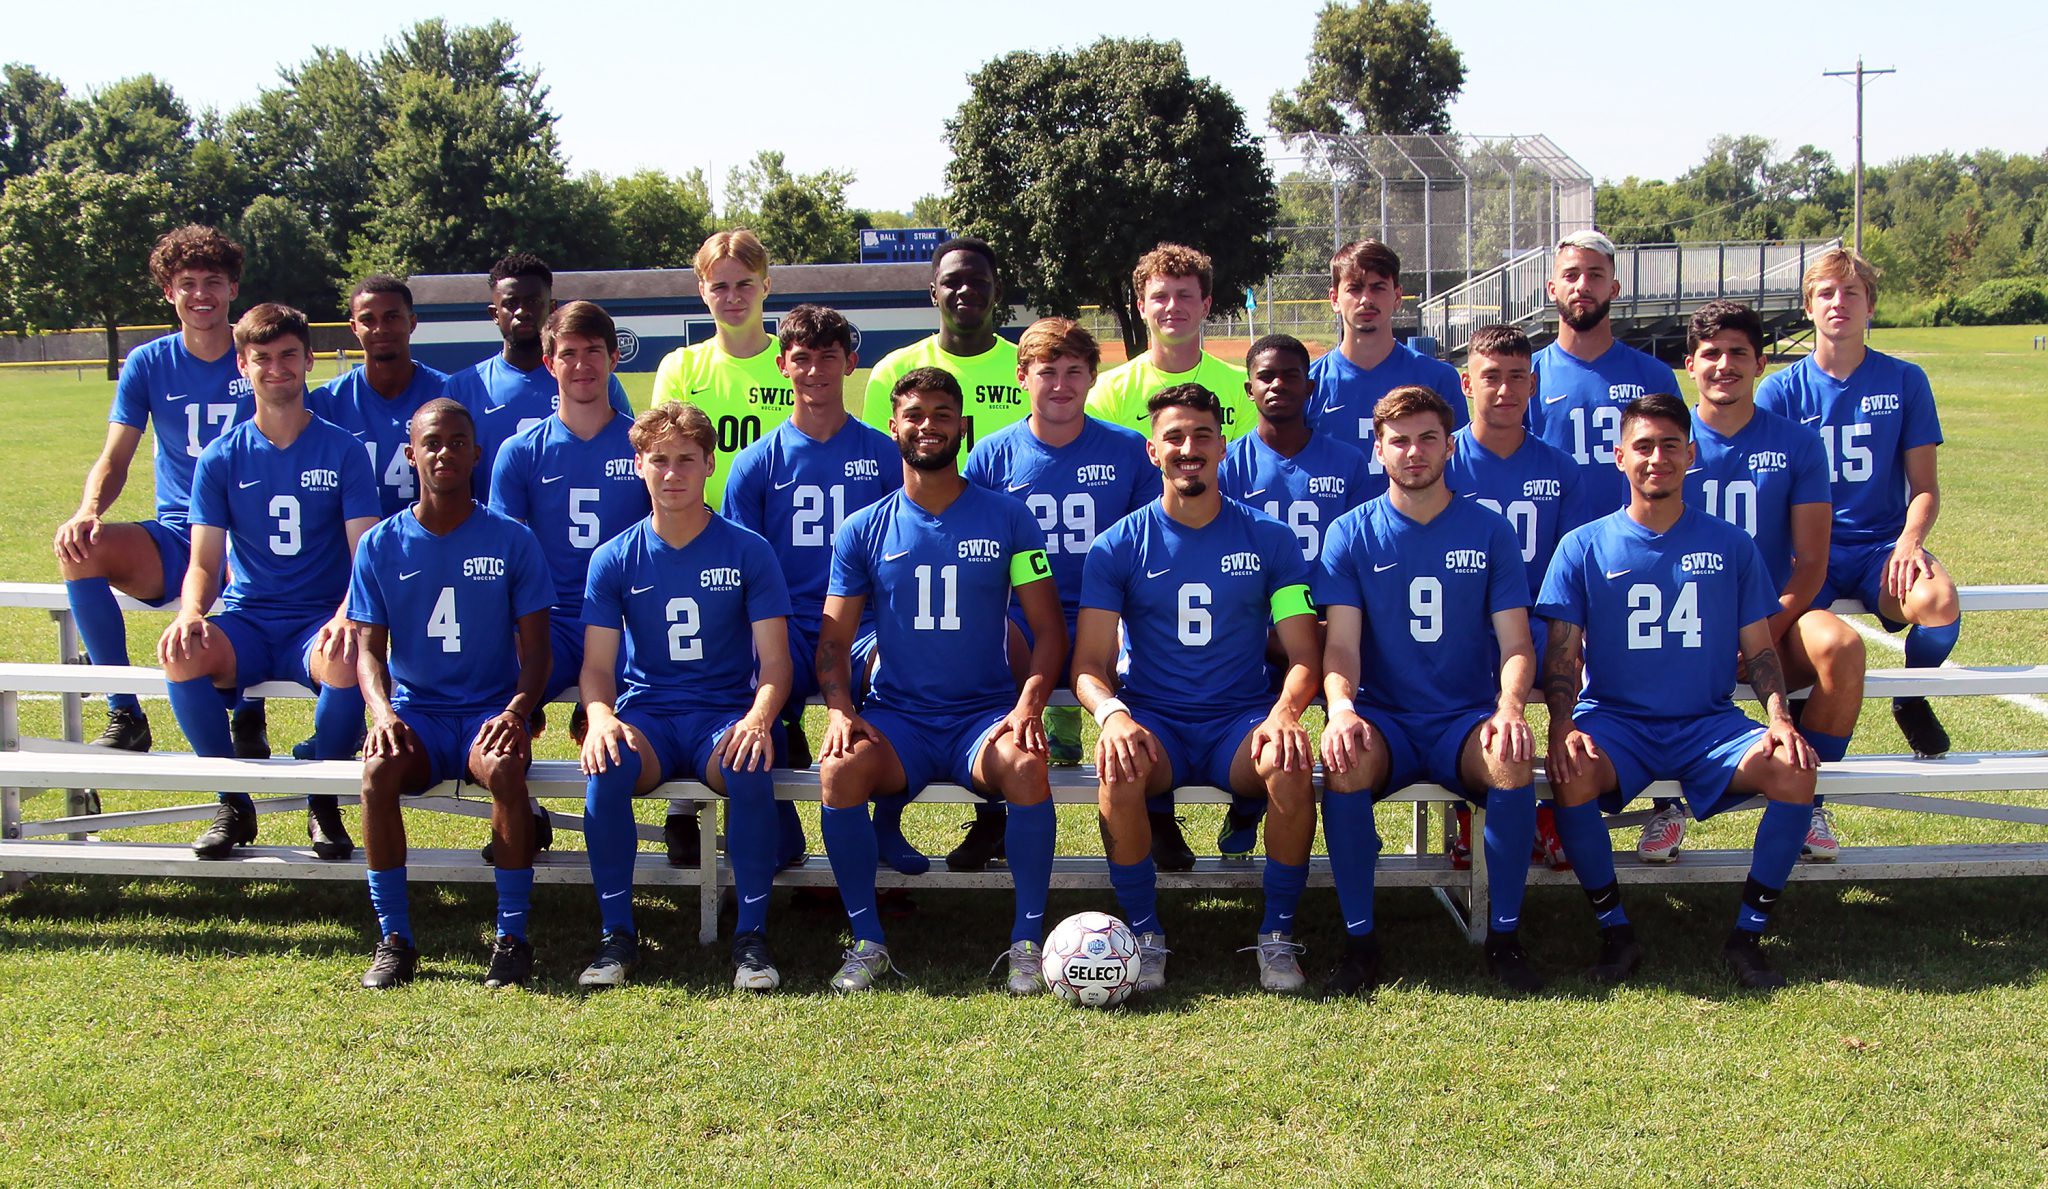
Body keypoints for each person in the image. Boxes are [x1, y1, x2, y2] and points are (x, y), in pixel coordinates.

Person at [1537, 393, 1819, 990]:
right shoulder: (1583, 545)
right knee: (1574, 771)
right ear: (1619, 457)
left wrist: (1779, 718)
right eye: (1643, 446)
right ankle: (1615, 930)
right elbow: (1563, 653)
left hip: (1708, 723)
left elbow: (1761, 649)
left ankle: (1748, 934)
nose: (1656, 458)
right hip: (1617, 721)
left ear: (1692, 455)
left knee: (1793, 771)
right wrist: (1563, 725)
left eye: (1670, 445)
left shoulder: (1731, 545)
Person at [816, 367, 1066, 994]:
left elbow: (1049, 629)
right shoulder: (862, 528)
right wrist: (841, 709)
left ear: (962, 425)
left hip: (982, 717)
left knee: (1030, 767)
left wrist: (1029, 705)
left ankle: (1027, 942)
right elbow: (833, 642)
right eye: (915, 414)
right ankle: (868, 939)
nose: (928, 425)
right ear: (894, 426)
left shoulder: (1009, 519)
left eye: (941, 414)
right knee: (840, 770)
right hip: (901, 719)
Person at [1073, 384, 1322, 994]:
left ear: (1222, 446)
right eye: (1175, 438)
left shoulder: (1268, 538)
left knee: (1289, 764)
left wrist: (1286, 712)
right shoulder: (1117, 545)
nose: (1190, 448)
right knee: (1119, 767)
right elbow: (1087, 664)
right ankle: (1144, 934)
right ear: (1153, 451)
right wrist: (1112, 715)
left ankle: (1277, 934)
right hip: (1157, 719)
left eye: (1202, 436)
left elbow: (1304, 653)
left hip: (1237, 722)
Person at [1318, 385, 1541, 995]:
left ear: (1449, 445)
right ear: (1379, 449)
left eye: (1426, 439)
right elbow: (1340, 646)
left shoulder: (1489, 531)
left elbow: (1517, 644)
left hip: (1463, 718)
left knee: (1511, 754)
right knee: (1345, 758)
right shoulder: (1352, 533)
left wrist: (1510, 708)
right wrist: (1341, 709)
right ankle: (1360, 940)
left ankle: (1504, 936)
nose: (1413, 452)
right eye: (1399, 441)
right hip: (1386, 717)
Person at [578, 402, 793, 990]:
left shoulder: (749, 550)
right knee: (608, 765)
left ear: (708, 465)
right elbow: (596, 668)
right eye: (659, 461)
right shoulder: (614, 557)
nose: (672, 473)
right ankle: (617, 935)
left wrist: (757, 718)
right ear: (639, 466)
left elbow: (776, 663)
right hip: (649, 716)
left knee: (748, 766)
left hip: (723, 713)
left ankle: (751, 935)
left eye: (685, 460)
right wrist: (599, 717)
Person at [157, 304, 378, 861]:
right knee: (183, 655)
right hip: (249, 617)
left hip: (317, 618)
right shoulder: (221, 456)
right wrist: (189, 613)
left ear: (308, 360)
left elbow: (364, 555)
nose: (276, 369)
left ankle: (322, 799)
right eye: (262, 359)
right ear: (243, 366)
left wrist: (346, 613)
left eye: (287, 356)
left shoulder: (344, 449)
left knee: (348, 655)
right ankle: (231, 800)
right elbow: (205, 562)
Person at [347, 398, 553, 989]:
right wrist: (381, 712)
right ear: (410, 454)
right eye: (432, 443)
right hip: (418, 712)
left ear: (476, 453)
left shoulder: (512, 540)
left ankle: (512, 937)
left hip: (487, 709)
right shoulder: (383, 544)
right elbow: (367, 649)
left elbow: (537, 651)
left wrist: (517, 710)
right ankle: (394, 938)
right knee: (378, 771)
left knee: (508, 768)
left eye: (457, 442)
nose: (444, 453)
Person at [55, 225, 264, 758]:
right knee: (81, 548)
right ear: (168, 292)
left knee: (249, 572)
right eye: (186, 283)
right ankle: (123, 710)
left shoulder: (260, 352)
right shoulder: (149, 362)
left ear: (233, 289)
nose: (201, 295)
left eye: (213, 281)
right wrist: (88, 510)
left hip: (253, 536)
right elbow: (116, 457)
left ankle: (247, 714)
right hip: (180, 532)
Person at [955, 317, 1155, 869]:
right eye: (1048, 372)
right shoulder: (993, 456)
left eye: (1074, 371)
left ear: (1094, 377)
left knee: (1156, 663)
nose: (1061, 384)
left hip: (1108, 614)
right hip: (1023, 615)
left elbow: (1151, 548)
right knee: (987, 656)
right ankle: (991, 815)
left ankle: (1158, 814)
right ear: (1023, 377)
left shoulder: (1128, 450)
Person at [1757, 248, 1958, 760]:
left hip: (1878, 548)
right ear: (1808, 307)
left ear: (1871, 306)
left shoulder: (1905, 380)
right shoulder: (1781, 390)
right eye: (1826, 293)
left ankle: (1912, 696)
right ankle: (1805, 752)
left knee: (1939, 604)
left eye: (1852, 292)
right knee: (1818, 650)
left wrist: (1910, 541)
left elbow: (1925, 487)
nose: (1839, 302)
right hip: (1807, 553)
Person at [1684, 300, 1864, 862]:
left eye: (1739, 352)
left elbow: (1811, 561)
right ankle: (1665, 805)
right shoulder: (1663, 440)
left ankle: (1810, 794)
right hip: (1680, 622)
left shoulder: (1797, 443)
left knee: (1843, 647)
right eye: (1711, 353)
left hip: (1771, 617)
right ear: (1690, 363)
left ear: (1761, 363)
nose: (1724, 365)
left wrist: (1763, 628)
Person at [721, 303, 898, 865]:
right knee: (744, 686)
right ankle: (777, 825)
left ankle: (885, 825)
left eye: (828, 356)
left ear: (851, 362)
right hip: (787, 624)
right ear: (783, 365)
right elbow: (742, 570)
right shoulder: (755, 463)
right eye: (803, 358)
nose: (816, 370)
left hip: (868, 624)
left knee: (903, 684)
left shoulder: (885, 454)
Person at [486, 300, 651, 864]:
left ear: (613, 360)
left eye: (594, 353)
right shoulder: (520, 450)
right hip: (551, 615)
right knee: (502, 676)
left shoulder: (643, 447)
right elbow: (504, 551)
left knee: (679, 686)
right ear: (549, 363)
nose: (582, 365)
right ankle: (518, 806)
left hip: (630, 617)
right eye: (569, 354)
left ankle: (680, 814)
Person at [1443, 324, 1589, 872]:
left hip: (1537, 617)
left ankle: (1549, 816)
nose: (1504, 390)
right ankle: (1468, 817)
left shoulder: (1559, 467)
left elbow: (1571, 564)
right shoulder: (1443, 459)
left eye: (1516, 379)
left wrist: (1562, 629)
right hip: (1460, 616)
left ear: (1533, 386)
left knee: (1560, 656)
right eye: (1491, 378)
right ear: (1466, 384)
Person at [443, 252, 635, 486]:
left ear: (552, 308)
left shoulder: (593, 381)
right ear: (494, 314)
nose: (522, 312)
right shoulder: (464, 387)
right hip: (498, 517)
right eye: (511, 304)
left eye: (533, 301)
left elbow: (626, 449)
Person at [1526, 230, 1679, 516]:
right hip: (1552, 546)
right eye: (1571, 275)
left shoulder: (1654, 376)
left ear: (1614, 288)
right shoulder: (1526, 376)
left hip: (1634, 544)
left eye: (1595, 275)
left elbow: (1680, 465)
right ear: (1551, 288)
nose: (1582, 286)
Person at [1303, 239, 1467, 501]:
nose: (1366, 299)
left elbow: (1459, 466)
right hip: (1337, 533)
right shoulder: (1309, 383)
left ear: (1398, 296)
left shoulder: (1438, 378)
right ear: (1334, 299)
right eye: (1355, 289)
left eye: (1378, 287)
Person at [648, 230, 792, 510]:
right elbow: (666, 458)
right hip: (709, 533)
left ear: (766, 286)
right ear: (703, 291)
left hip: (785, 527)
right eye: (720, 287)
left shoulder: (796, 364)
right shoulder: (680, 367)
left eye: (744, 284)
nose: (732, 297)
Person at [858, 237, 1026, 455]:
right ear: (934, 293)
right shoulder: (892, 371)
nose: (966, 290)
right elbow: (878, 464)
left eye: (979, 281)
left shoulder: (1029, 369)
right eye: (952, 282)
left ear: (998, 291)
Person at [1221, 333, 1371, 564]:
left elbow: (1360, 549)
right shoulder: (1227, 464)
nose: (1278, 385)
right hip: (1255, 598)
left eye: (1290, 376)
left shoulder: (1348, 461)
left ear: (1309, 387)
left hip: (1329, 597)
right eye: (1266, 377)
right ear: (1250, 390)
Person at [313, 275, 451, 519]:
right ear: (354, 327)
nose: (380, 329)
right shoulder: (327, 403)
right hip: (353, 546)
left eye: (391, 317)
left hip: (431, 541)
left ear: (412, 322)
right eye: (368, 320)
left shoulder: (448, 393)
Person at [1084, 244, 1254, 438]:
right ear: (1141, 308)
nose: (1173, 306)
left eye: (1184, 296)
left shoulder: (1243, 387)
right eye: (1160, 297)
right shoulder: (1109, 391)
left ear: (1205, 306)